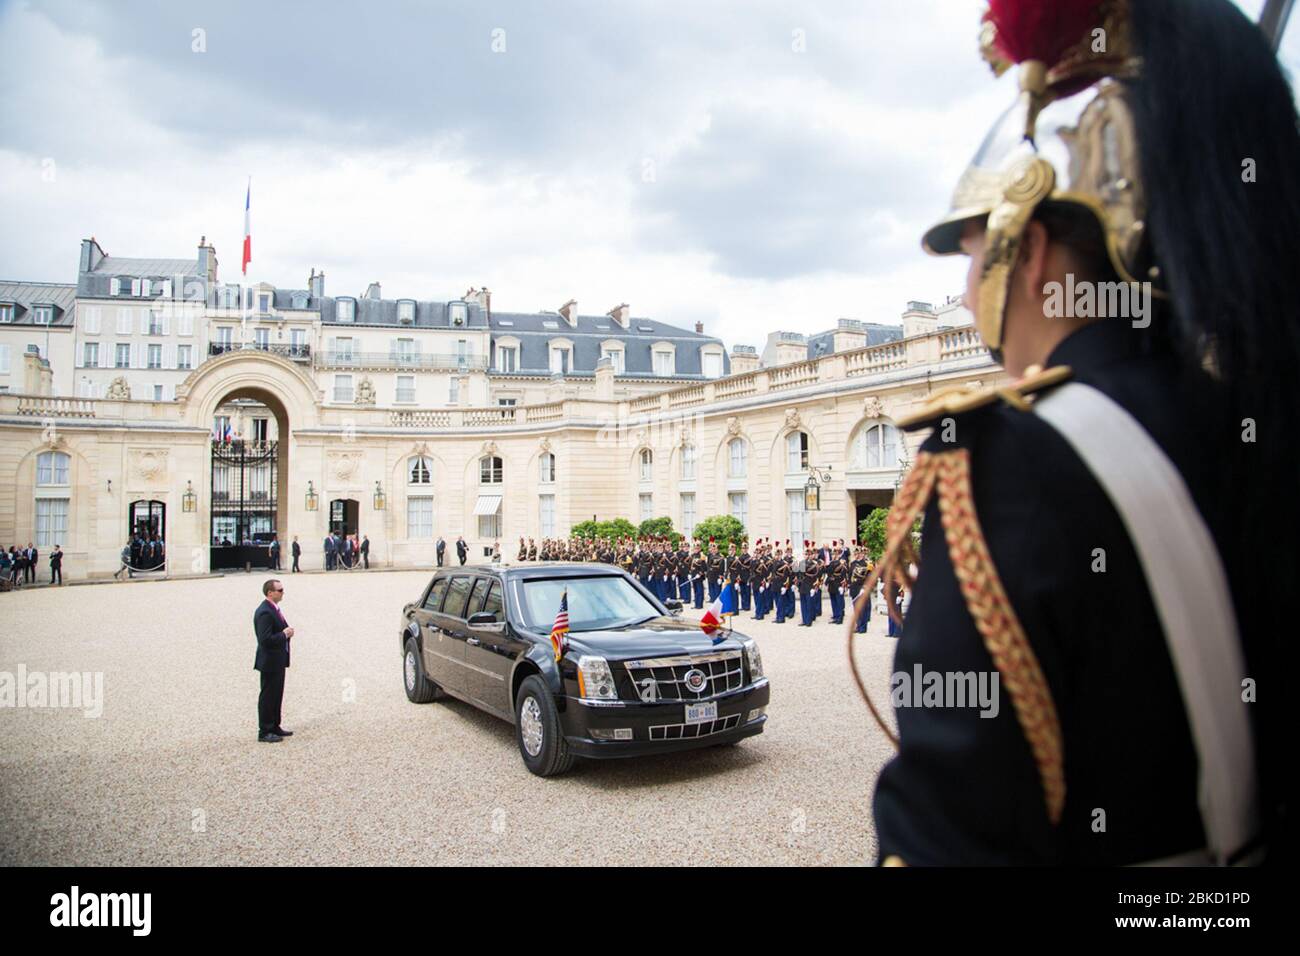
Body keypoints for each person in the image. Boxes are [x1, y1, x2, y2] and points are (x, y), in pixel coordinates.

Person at [863, 0, 1291, 866]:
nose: (967, 278)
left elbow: (948, 837)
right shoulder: (1253, 421)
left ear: (1041, 247)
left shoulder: (1006, 469)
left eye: (972, 243)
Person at [253, 579, 295, 743]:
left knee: (277, 694)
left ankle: (275, 725)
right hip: (269, 660)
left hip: (277, 659)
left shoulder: (273, 609)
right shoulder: (264, 612)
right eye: (280, 590)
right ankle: (264, 730)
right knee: (268, 696)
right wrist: (284, 634)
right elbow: (264, 639)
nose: (282, 592)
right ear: (270, 593)